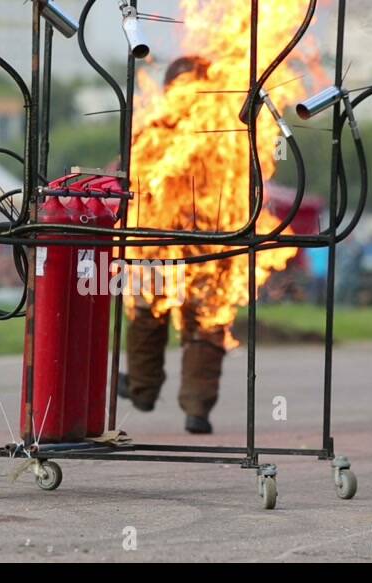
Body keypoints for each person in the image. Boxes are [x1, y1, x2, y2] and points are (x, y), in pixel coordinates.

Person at [117, 56, 225, 435]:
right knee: (204, 328)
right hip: (211, 244)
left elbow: (124, 177)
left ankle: (144, 390)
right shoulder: (225, 133)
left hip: (159, 243)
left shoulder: (152, 130)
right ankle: (197, 408)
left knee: (148, 316)